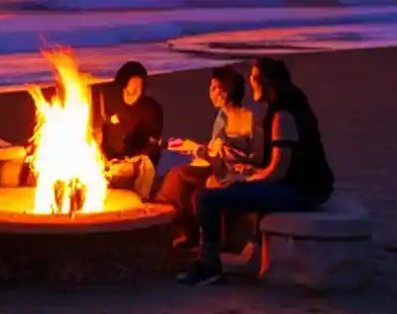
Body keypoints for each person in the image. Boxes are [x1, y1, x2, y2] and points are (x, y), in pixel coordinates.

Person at [178, 58, 335, 286]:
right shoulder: (289, 105)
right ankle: (235, 247)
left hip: (302, 191)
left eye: (254, 77)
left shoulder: (283, 115)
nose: (250, 83)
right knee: (226, 188)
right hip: (305, 186)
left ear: (267, 83)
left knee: (207, 199)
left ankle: (208, 265)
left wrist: (246, 179)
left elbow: (277, 172)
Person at [158, 65, 256, 248]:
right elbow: (215, 149)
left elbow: (227, 156)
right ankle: (190, 231)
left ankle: (193, 234)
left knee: (178, 177)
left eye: (213, 88)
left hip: (231, 172)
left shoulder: (238, 119)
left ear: (224, 93)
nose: (210, 93)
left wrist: (195, 149)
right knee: (182, 179)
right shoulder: (228, 116)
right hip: (222, 166)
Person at [94, 61, 163, 200]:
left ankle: (140, 206)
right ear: (125, 83)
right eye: (134, 83)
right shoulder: (111, 104)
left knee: (142, 171)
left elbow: (153, 146)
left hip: (138, 162)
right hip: (111, 162)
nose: (138, 87)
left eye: (141, 83)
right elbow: (100, 135)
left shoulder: (150, 109)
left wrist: (133, 165)